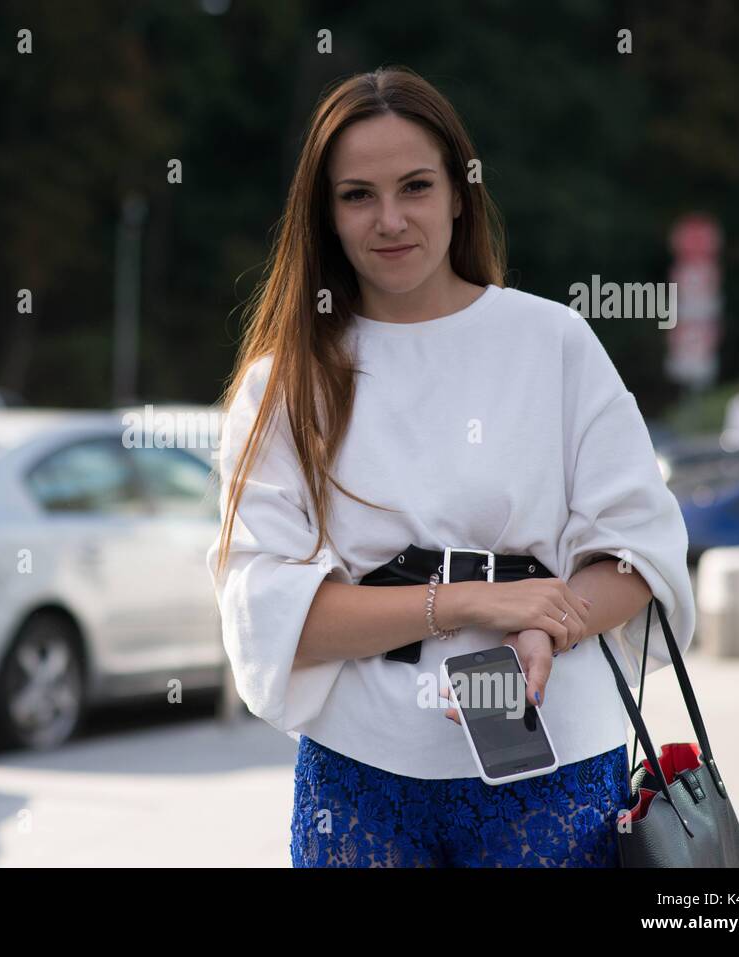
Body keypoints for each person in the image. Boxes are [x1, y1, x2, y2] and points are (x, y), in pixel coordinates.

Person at [206, 66, 695, 868]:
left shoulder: (555, 342)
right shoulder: (284, 382)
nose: (390, 218)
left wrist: (546, 626)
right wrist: (470, 600)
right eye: (357, 194)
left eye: (416, 186)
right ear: (324, 214)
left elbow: (639, 552)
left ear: (460, 193)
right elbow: (272, 615)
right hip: (361, 771)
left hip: (557, 761)